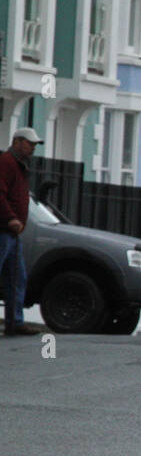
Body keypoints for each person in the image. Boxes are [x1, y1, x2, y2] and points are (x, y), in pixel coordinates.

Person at [0, 128, 44, 336]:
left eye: (34, 145)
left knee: (17, 278)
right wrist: (11, 218)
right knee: (12, 276)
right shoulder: (7, 163)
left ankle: (15, 322)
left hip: (13, 233)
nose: (33, 148)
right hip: (3, 230)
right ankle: (14, 321)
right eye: (29, 144)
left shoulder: (20, 166)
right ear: (16, 141)